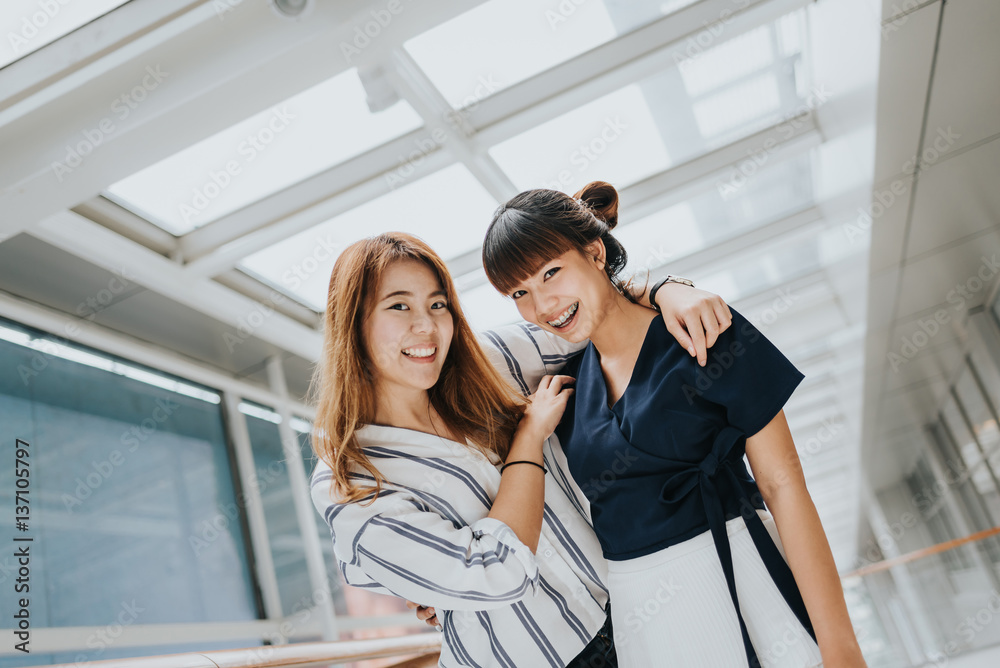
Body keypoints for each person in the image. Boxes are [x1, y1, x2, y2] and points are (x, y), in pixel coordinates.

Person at [481, 182, 867, 667]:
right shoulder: (563, 393)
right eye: (520, 292)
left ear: (595, 253)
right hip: (643, 618)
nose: (542, 306)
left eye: (552, 272)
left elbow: (783, 485)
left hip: (744, 574)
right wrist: (449, 586)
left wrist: (841, 647)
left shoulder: (704, 331)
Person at [308, 232, 732, 667]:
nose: (427, 326)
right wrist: (529, 436)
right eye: (399, 306)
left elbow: (595, 314)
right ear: (353, 322)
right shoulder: (350, 482)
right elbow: (495, 572)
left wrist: (669, 288)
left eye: (438, 304)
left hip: (631, 608)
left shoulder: (493, 363)